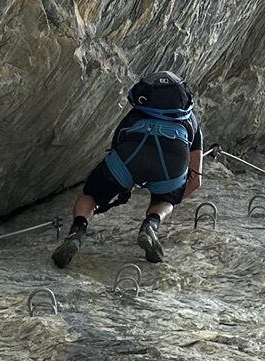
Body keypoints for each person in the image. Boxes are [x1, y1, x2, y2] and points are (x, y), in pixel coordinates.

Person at [52, 71, 202, 270]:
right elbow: (195, 180)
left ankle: (77, 232)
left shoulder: (136, 114)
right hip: (173, 160)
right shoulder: (191, 120)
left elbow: (117, 146)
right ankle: (151, 224)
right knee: (165, 200)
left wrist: (124, 186)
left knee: (91, 195)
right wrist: (172, 197)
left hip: (130, 154)